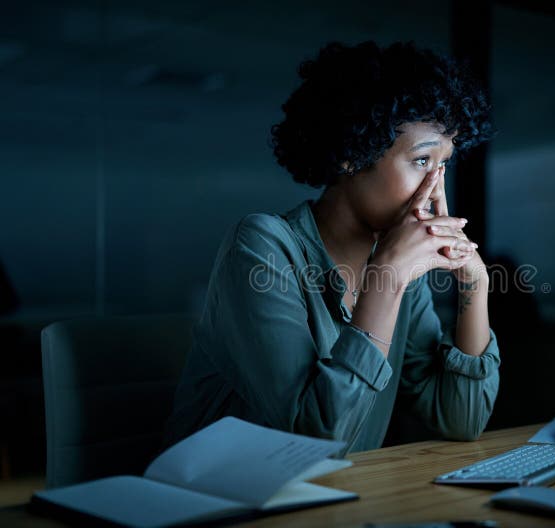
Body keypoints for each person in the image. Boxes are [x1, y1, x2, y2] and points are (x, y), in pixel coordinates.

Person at [163, 40, 501, 455]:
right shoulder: (260, 246)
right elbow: (316, 437)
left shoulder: (400, 271)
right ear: (352, 155)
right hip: (226, 503)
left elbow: (460, 419)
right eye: (421, 161)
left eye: (443, 165)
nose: (435, 189)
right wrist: (388, 278)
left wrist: (475, 285)